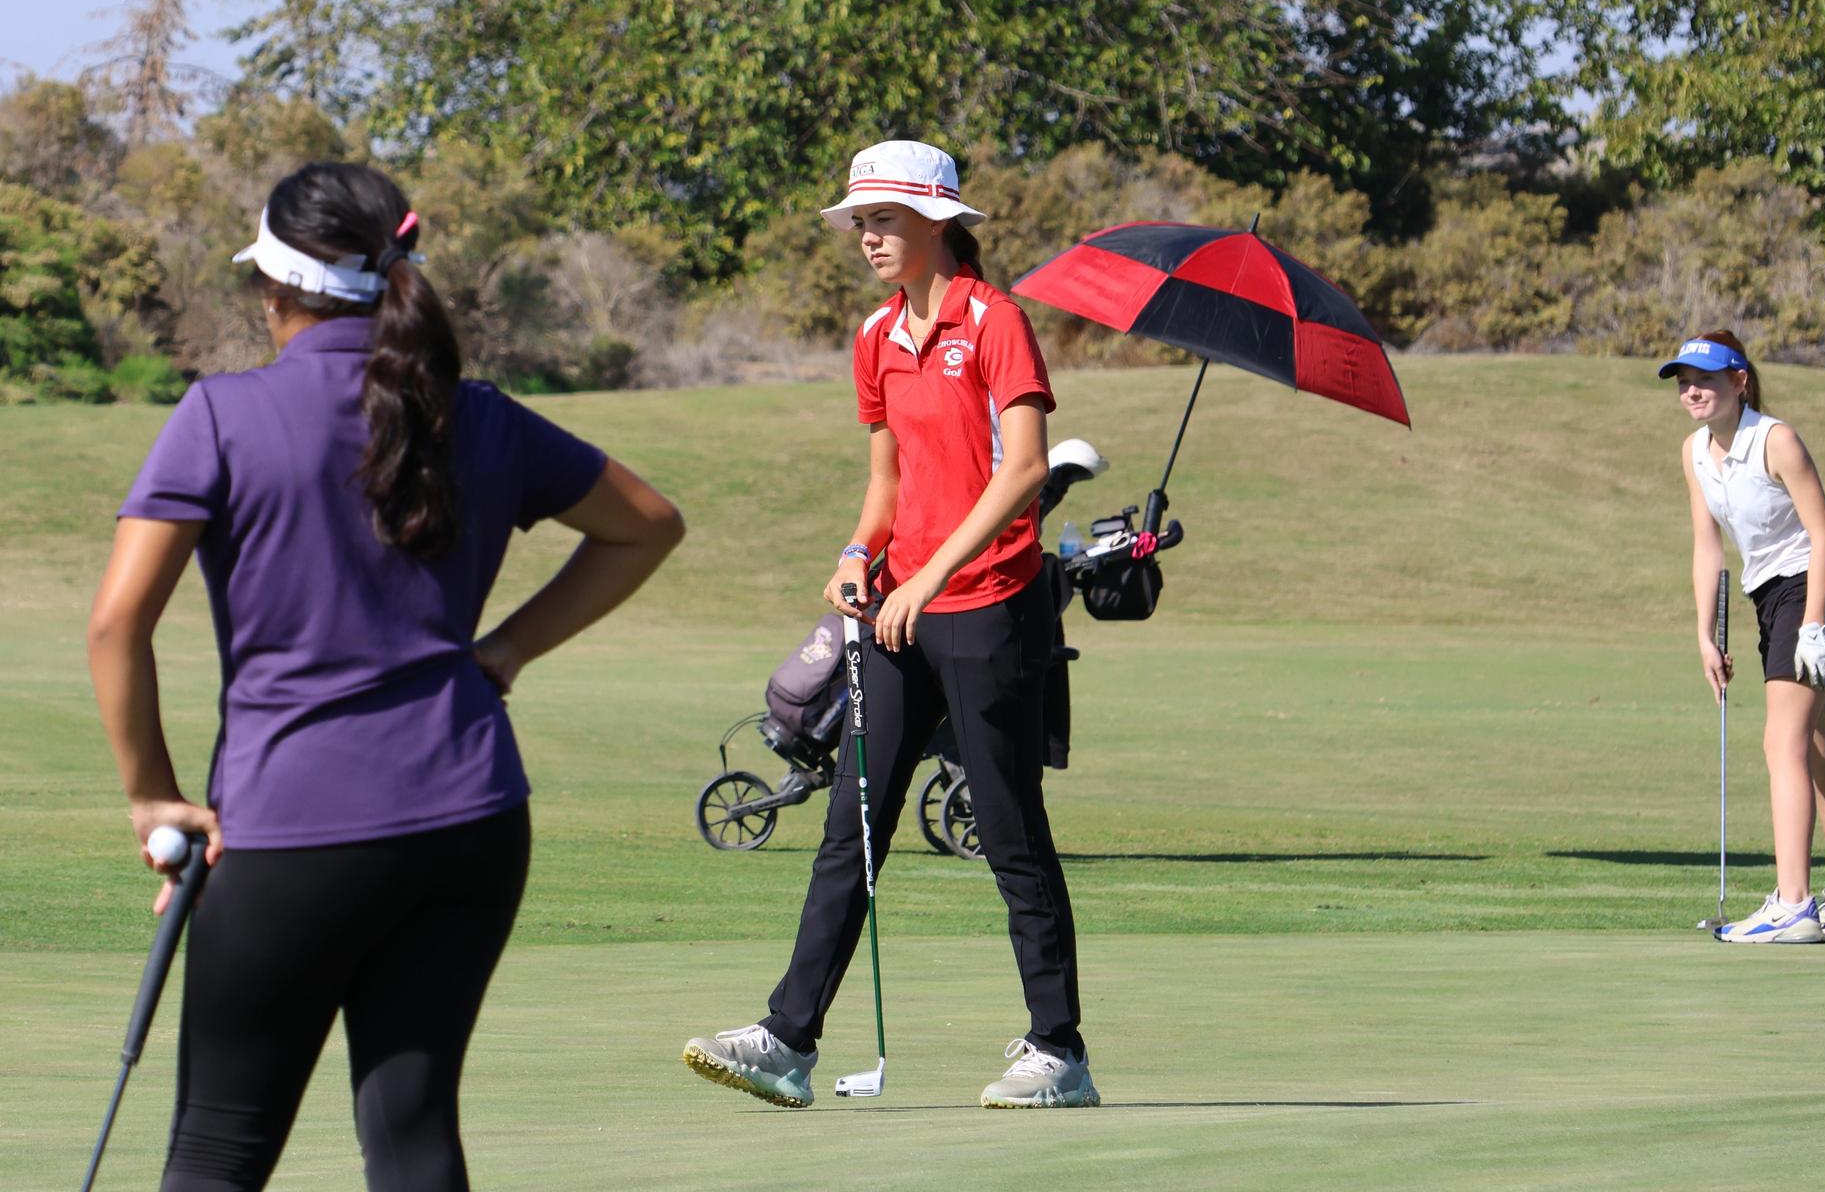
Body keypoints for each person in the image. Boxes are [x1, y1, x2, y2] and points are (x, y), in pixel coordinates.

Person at [88, 161, 684, 1190]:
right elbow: (647, 525)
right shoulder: (481, 414)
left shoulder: (221, 414)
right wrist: (506, 649)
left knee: (218, 1148)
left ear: (275, 287)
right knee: (411, 1131)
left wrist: (152, 797)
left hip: (294, 825)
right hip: (470, 819)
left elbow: (115, 623)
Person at [683, 140, 1097, 1108]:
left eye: (885, 220)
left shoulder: (993, 321)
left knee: (1009, 830)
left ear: (937, 223)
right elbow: (887, 480)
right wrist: (853, 554)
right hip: (898, 610)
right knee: (851, 832)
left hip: (990, 606)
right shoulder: (875, 336)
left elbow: (1025, 469)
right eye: (861, 222)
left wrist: (933, 574)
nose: (868, 237)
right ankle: (787, 1040)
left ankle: (1059, 1051)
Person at [1663, 330, 1825, 943]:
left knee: (1782, 743)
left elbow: (1824, 537)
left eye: (1706, 380)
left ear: (1739, 381)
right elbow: (1708, 546)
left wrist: (1814, 625)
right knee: (1815, 748)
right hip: (1769, 601)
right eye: (1684, 382)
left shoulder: (1775, 439)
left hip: (1810, 593)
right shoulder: (1694, 452)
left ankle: (1792, 904)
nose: (1693, 391)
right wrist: (1705, 635)